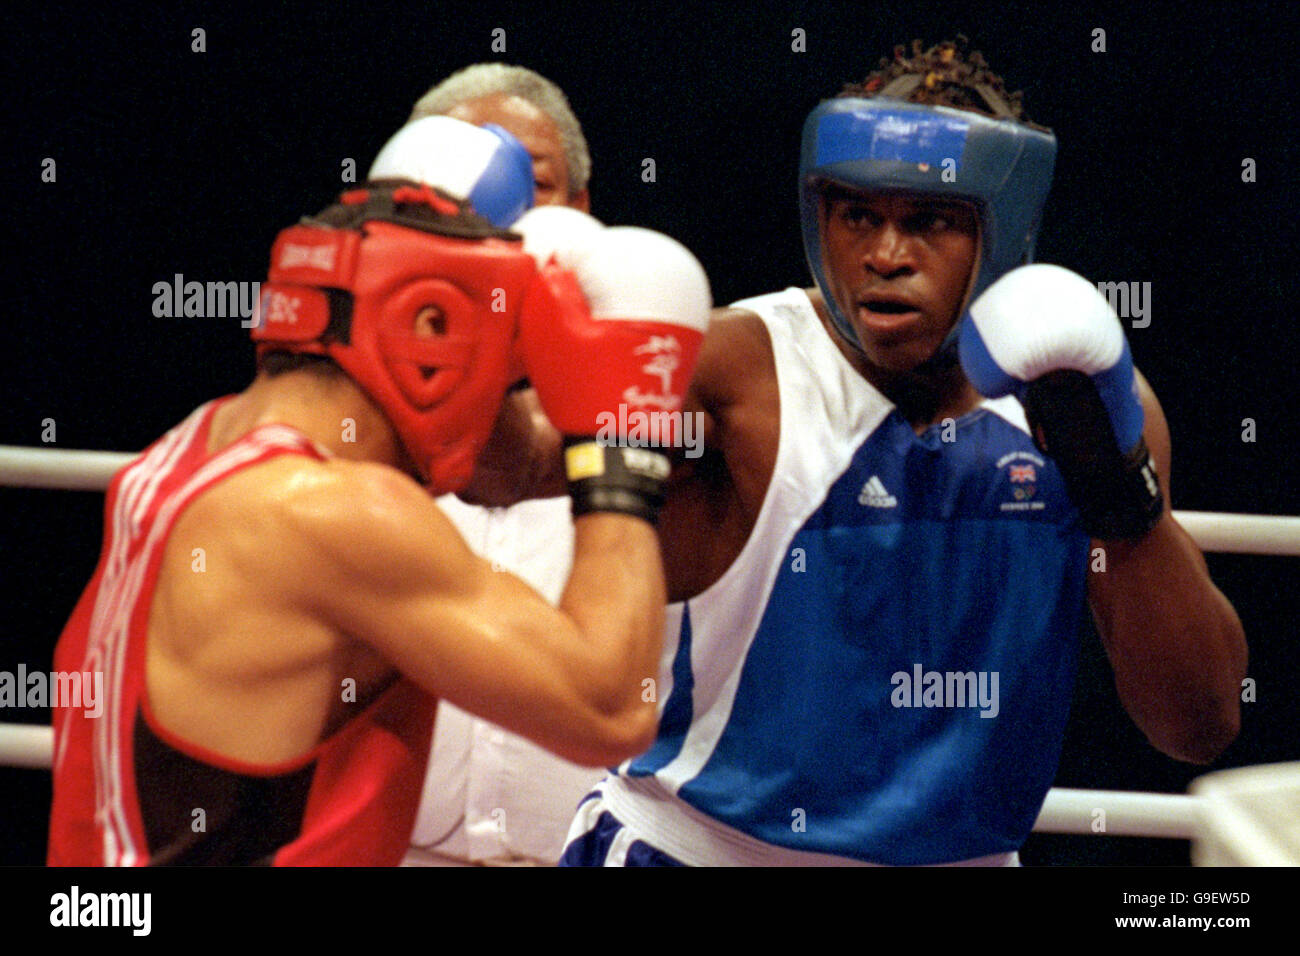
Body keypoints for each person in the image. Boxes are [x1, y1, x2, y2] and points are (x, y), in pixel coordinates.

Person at [549, 39, 1249, 866]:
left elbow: (1199, 726)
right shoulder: (738, 372)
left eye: (930, 221)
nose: (885, 254)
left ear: (1005, 227)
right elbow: (506, 467)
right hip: (697, 849)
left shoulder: (1085, 403)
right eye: (858, 217)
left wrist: (1117, 494)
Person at [45, 115, 712, 866]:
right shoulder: (337, 513)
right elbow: (610, 708)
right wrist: (618, 442)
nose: (509, 394)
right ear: (430, 324)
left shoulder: (195, 446)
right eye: (507, 358)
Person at [397, 64, 611, 867]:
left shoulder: (665, 395)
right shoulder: (350, 404)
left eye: (533, 181)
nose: (501, 207)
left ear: (580, 211)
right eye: (459, 178)